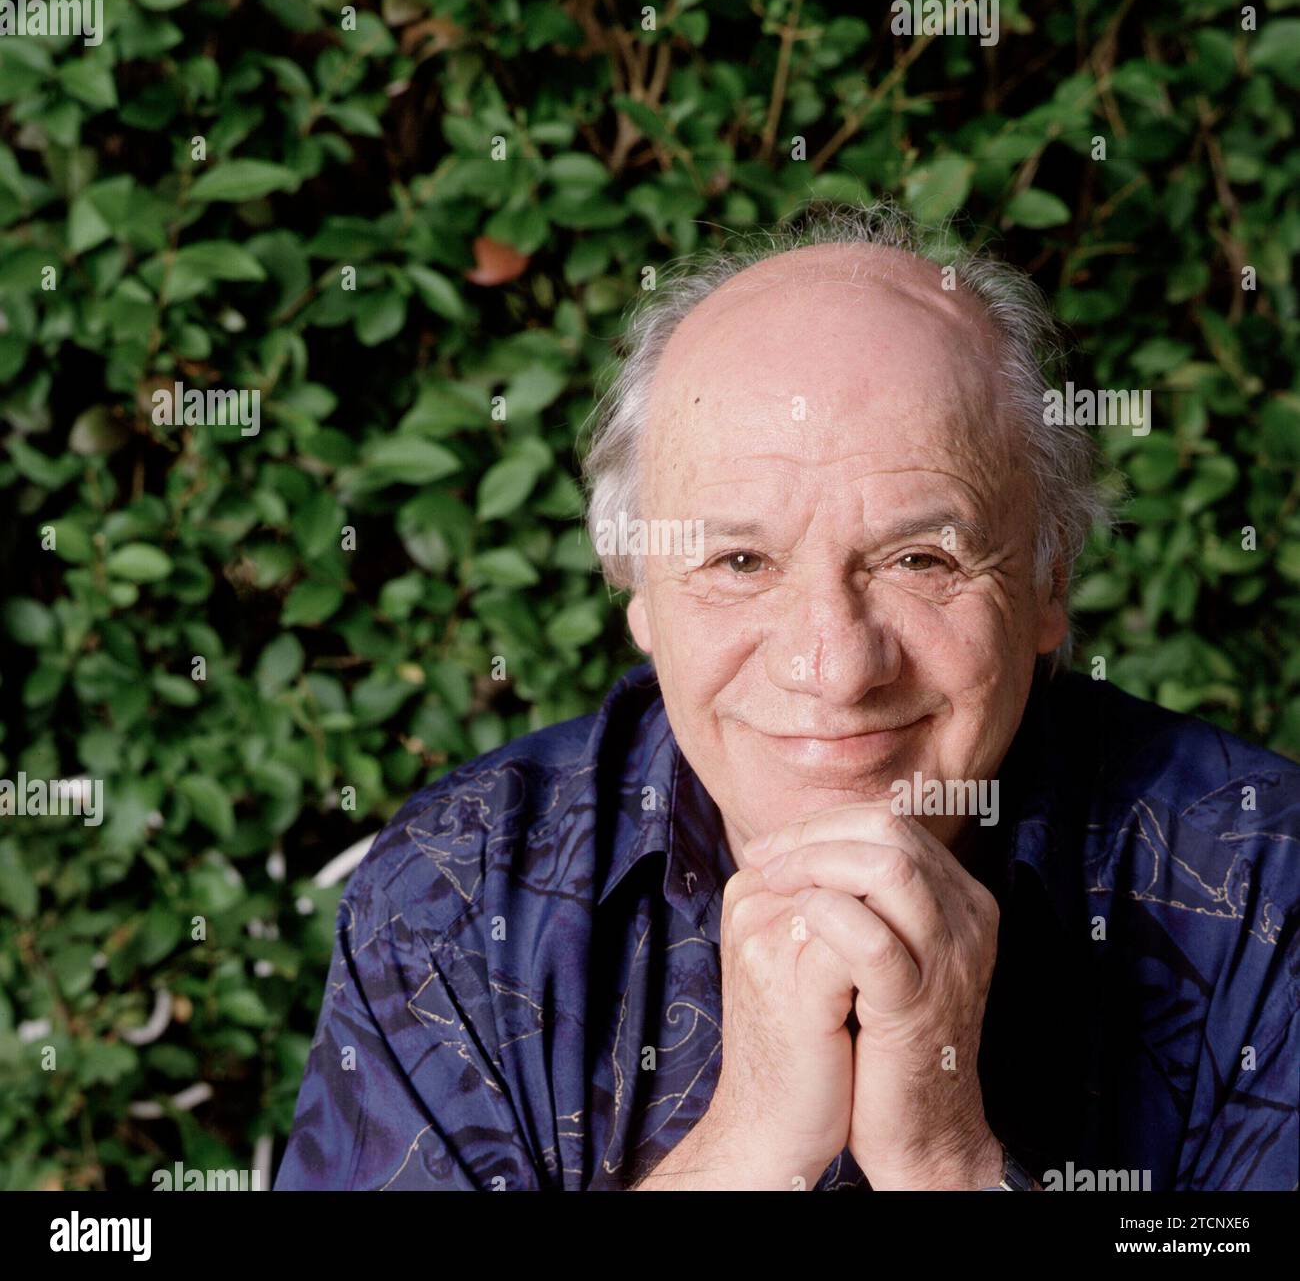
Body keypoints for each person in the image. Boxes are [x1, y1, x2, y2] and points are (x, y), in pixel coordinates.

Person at [275, 202, 1300, 1191]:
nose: (836, 666)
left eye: (916, 558)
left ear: (1046, 582)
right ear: (638, 592)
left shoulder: (1267, 882)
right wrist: (748, 1146)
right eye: (738, 560)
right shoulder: (457, 890)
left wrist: (943, 1163)